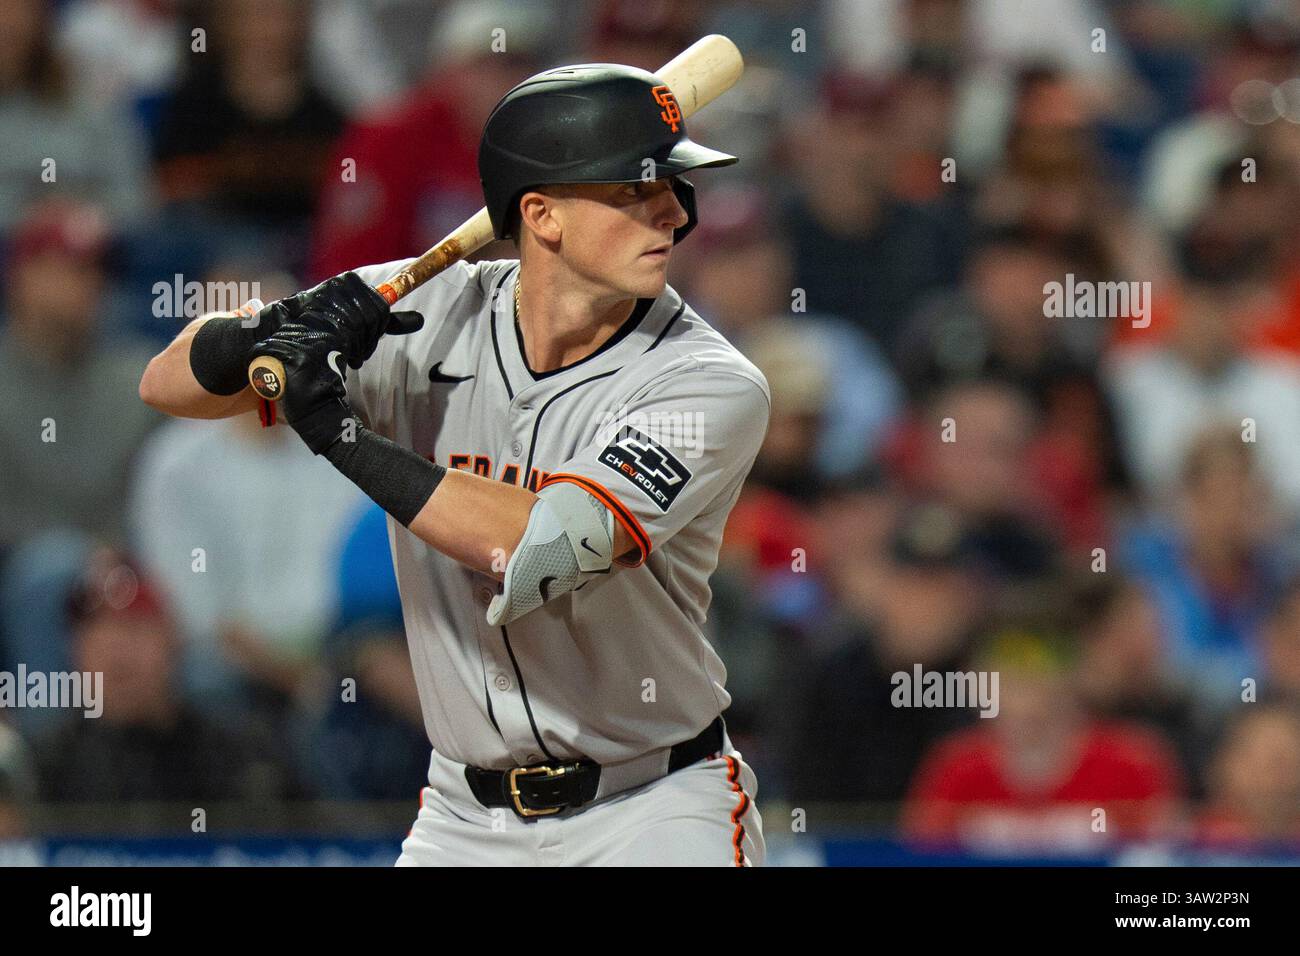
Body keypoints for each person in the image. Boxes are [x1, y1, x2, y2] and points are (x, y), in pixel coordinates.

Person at [139, 63, 769, 866]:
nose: (675, 213)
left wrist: (342, 437)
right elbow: (166, 383)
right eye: (634, 192)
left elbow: (544, 547)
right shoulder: (426, 316)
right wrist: (283, 327)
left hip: (650, 805)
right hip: (468, 818)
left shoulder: (707, 382)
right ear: (540, 215)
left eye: (673, 188)